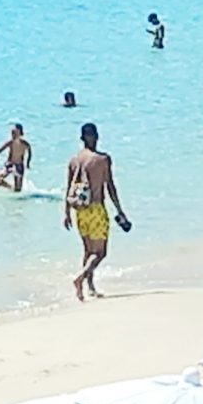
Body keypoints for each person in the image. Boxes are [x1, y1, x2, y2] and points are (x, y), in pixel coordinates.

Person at [64, 122, 129, 301]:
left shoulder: (74, 160)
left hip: (79, 210)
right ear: (97, 136)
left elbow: (68, 187)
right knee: (100, 253)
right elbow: (110, 186)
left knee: (87, 250)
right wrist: (119, 210)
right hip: (96, 210)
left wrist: (66, 212)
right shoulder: (103, 159)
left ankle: (89, 288)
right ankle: (80, 279)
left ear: (81, 138)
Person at [0, 122, 32, 192]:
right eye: (12, 133)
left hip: (19, 166)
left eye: (15, 133)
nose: (13, 135)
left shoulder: (25, 144)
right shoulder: (10, 143)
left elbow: (30, 153)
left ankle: (14, 191)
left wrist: (28, 163)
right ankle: (10, 188)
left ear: (20, 133)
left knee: (18, 190)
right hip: (10, 164)